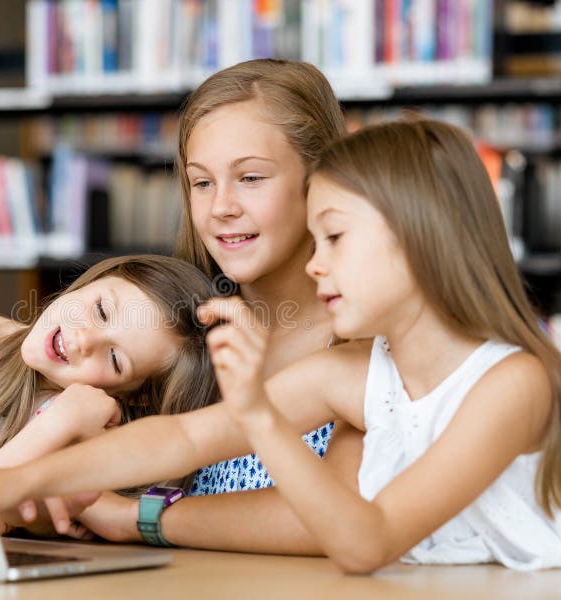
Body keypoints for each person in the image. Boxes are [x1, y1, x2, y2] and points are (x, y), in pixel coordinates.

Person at [0, 119, 561, 571]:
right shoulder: (359, 372)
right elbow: (181, 437)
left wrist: (259, 416)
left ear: (420, 239)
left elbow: (367, 541)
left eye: (334, 237)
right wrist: (16, 482)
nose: (315, 264)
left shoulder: (513, 384)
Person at [66, 58, 362, 554]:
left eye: (249, 178)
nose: (221, 207)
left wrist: (136, 517)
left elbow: (330, 516)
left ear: (320, 180)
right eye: (201, 182)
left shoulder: (364, 337)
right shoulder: (179, 329)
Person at [0, 254, 218, 537]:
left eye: (114, 359)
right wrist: (60, 422)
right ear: (93, 279)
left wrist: (60, 422)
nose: (84, 339)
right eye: (101, 310)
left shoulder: (87, 443)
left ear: (130, 398)